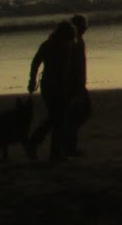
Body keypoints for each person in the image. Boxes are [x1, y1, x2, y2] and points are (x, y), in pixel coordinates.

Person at [26, 20, 76, 162]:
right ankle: (43, 146)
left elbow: (35, 62)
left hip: (49, 85)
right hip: (56, 86)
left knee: (56, 118)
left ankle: (52, 151)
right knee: (58, 119)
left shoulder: (49, 45)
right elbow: (65, 70)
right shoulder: (64, 47)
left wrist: (32, 80)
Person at [66, 14, 91, 155]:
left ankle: (71, 146)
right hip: (75, 85)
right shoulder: (74, 43)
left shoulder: (78, 42)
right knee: (81, 113)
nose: (86, 28)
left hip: (78, 83)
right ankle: (70, 146)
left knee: (77, 114)